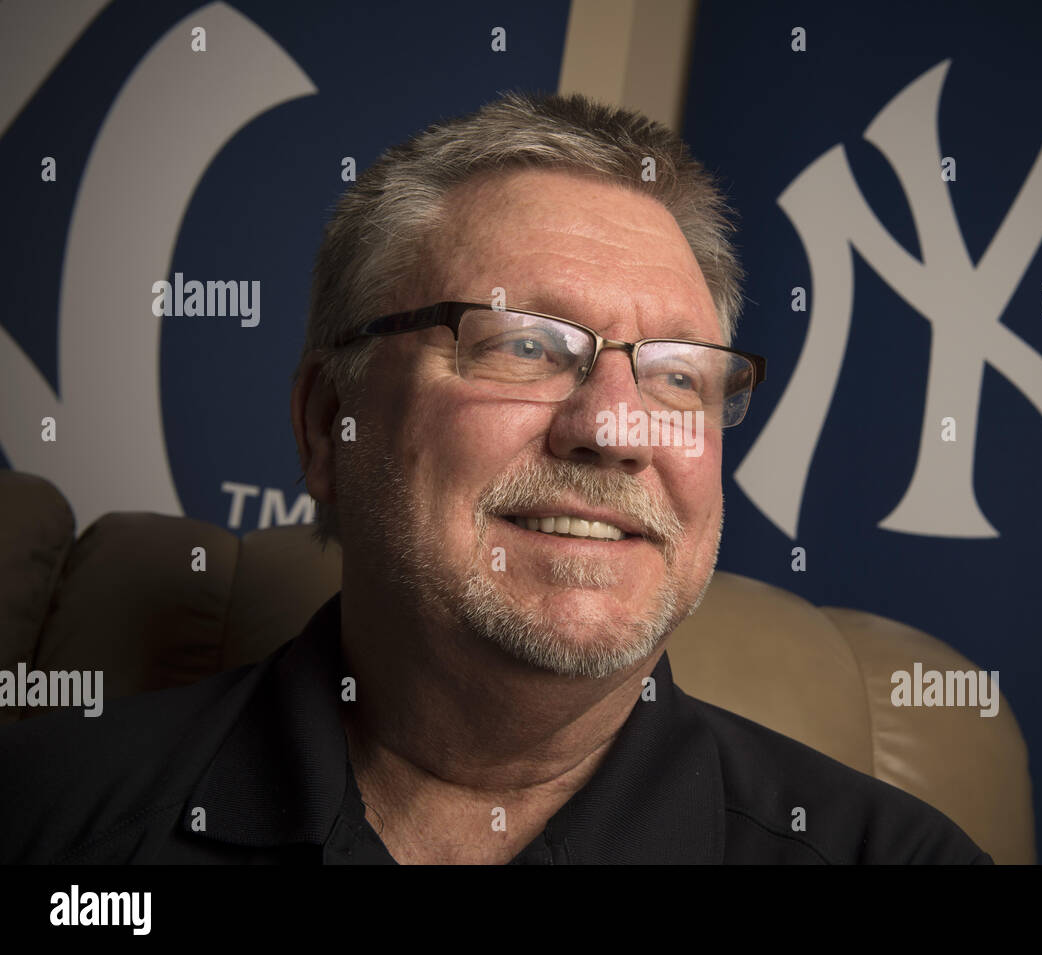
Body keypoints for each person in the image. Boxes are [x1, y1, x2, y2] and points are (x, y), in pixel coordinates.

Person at [0, 92, 992, 864]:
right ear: (324, 426)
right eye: (523, 345)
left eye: (678, 373)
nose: (611, 427)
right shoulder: (45, 819)